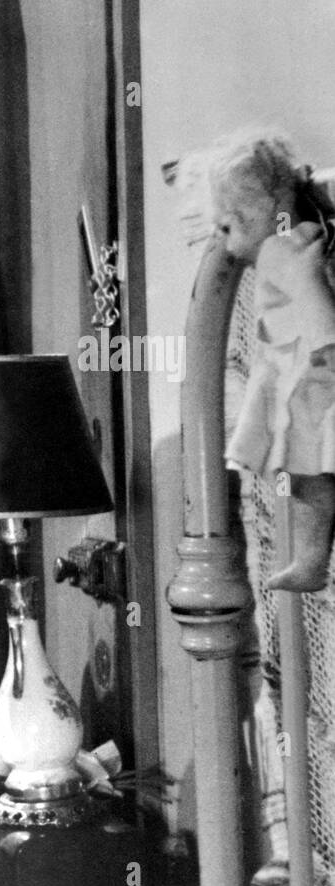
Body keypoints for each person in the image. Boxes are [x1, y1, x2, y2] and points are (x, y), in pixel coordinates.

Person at [212, 128, 335, 590]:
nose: (226, 245)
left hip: (313, 379)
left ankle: (311, 559)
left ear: (274, 209)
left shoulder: (286, 248)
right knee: (304, 474)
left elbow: (317, 310)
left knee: (309, 474)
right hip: (297, 372)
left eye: (231, 225)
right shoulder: (288, 244)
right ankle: (311, 559)